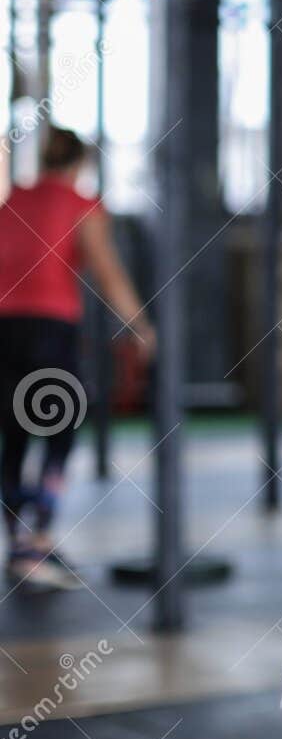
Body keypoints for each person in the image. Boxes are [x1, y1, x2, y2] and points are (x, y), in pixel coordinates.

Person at [0, 125, 156, 591]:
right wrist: (141, 327)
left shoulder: (12, 203)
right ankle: (38, 540)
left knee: (13, 432)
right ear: (80, 164)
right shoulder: (81, 205)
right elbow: (107, 272)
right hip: (49, 329)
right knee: (59, 430)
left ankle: (21, 545)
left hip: (4, 328)